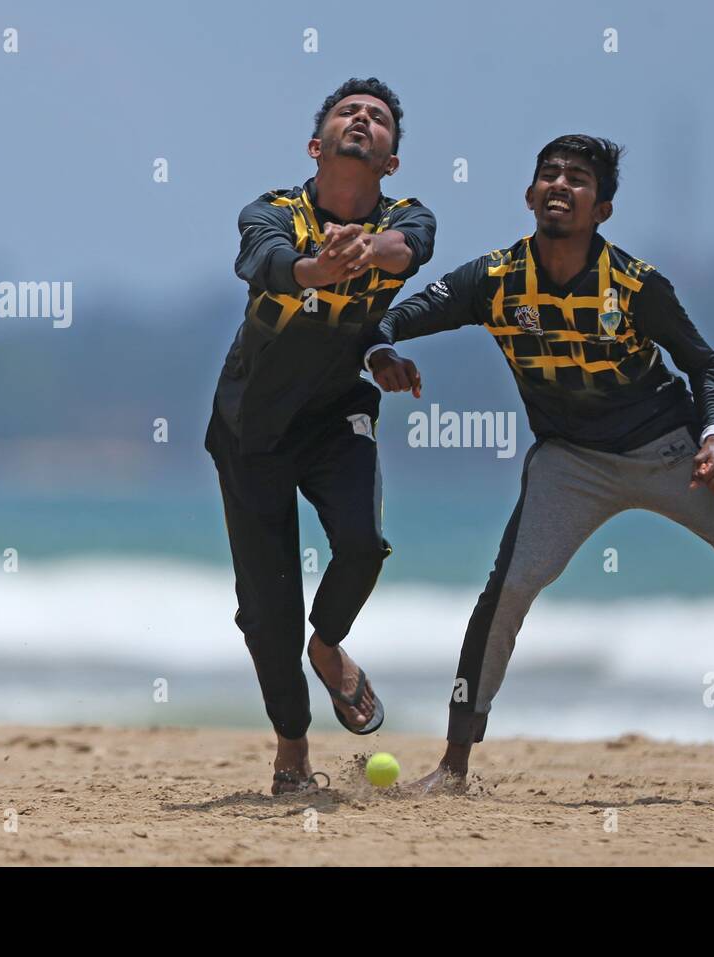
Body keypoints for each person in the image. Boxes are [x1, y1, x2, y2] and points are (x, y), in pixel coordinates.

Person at [365, 135, 714, 792]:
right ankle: (454, 766)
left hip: (669, 451)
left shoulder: (636, 285)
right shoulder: (494, 279)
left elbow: (705, 365)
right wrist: (382, 354)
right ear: (529, 196)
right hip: (570, 463)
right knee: (508, 591)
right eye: (548, 175)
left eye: (578, 179)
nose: (560, 185)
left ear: (602, 209)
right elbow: (391, 317)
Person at [205, 78, 434, 794]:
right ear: (317, 144)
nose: (363, 120)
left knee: (363, 544)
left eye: (378, 119)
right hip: (253, 426)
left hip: (337, 414)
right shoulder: (271, 212)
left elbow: (408, 248)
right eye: (348, 113)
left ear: (390, 159)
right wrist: (315, 267)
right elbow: (267, 262)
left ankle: (328, 644)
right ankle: (293, 750)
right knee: (267, 604)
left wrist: (370, 262)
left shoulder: (407, 216)